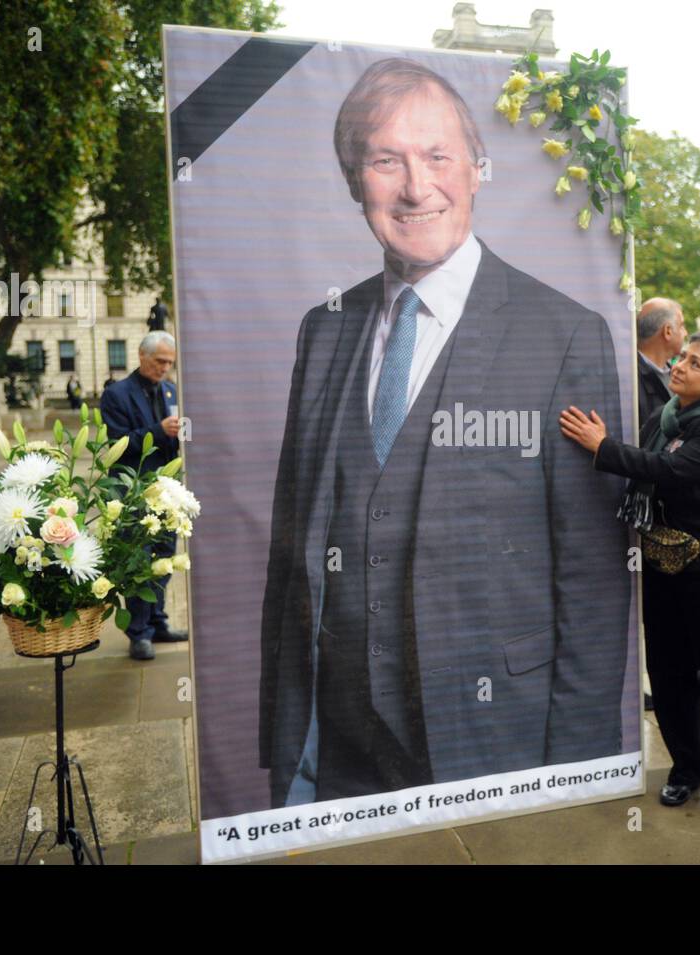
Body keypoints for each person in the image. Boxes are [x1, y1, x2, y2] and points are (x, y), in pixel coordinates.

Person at [259, 57, 630, 808]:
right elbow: (292, 545)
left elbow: (594, 583)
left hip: (496, 743)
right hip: (333, 754)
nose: (415, 186)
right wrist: (286, 735)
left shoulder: (564, 335)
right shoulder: (323, 330)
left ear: (478, 170)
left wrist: (575, 777)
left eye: (437, 156)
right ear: (354, 179)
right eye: (386, 160)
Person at [559, 331, 700, 826]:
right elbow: (646, 468)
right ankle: (685, 771)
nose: (679, 366)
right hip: (664, 567)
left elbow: (666, 469)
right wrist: (610, 444)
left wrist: (602, 447)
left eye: (694, 364)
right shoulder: (664, 416)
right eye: (682, 357)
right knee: (670, 676)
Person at [100, 331, 185, 661]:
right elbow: (117, 446)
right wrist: (159, 431)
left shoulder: (171, 390)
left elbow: (174, 440)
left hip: (166, 491)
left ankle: (157, 622)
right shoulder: (116, 395)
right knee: (138, 562)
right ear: (141, 356)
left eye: (169, 363)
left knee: (164, 559)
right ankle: (139, 633)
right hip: (132, 491)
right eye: (159, 361)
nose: (165, 367)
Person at [636, 297, 684, 424]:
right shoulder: (631, 381)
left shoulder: (675, 374)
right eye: (682, 326)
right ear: (668, 331)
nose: (685, 333)